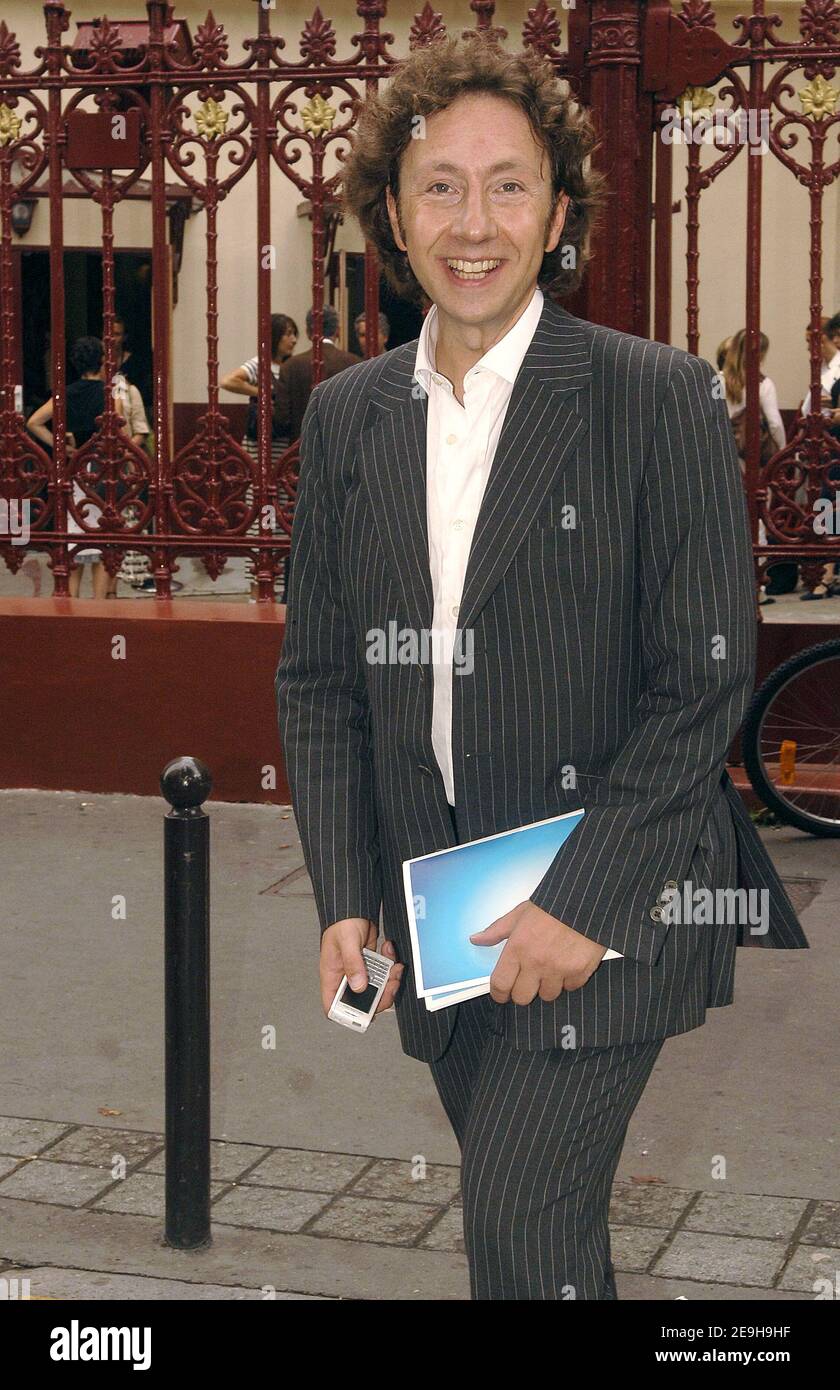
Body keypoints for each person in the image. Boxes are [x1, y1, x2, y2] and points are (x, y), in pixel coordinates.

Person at [275, 37, 808, 1302]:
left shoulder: (655, 398)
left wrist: (586, 900)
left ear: (561, 211)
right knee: (544, 1241)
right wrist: (347, 891)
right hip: (444, 915)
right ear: (392, 215)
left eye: (509, 185)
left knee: (516, 1220)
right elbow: (321, 681)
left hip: (607, 909)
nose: (475, 222)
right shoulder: (350, 417)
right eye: (440, 185)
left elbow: (705, 678)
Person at [27, 335, 126, 599]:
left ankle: (70, 606)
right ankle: (99, 605)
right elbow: (118, 427)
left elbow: (34, 422)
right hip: (102, 468)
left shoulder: (65, 393)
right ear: (103, 361)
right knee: (102, 536)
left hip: (74, 468)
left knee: (75, 534)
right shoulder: (108, 395)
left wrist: (62, 446)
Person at [221, 313, 299, 601]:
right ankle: (257, 585)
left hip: (283, 450)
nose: (292, 339)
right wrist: (263, 392)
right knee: (261, 514)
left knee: (282, 517)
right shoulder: (260, 364)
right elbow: (228, 380)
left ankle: (276, 584)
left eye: (294, 333)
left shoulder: (291, 367)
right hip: (262, 450)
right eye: (287, 333)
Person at [715, 329, 786, 604]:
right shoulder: (762, 383)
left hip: (723, 457)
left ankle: (727, 584)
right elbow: (776, 423)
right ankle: (757, 585)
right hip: (753, 460)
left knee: (725, 519)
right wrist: (783, 452)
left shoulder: (719, 379)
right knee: (756, 519)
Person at [271, 304, 361, 444]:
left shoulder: (290, 366)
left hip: (302, 451)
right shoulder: (354, 363)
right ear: (337, 331)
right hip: (343, 451)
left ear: (308, 332)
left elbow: (282, 420)